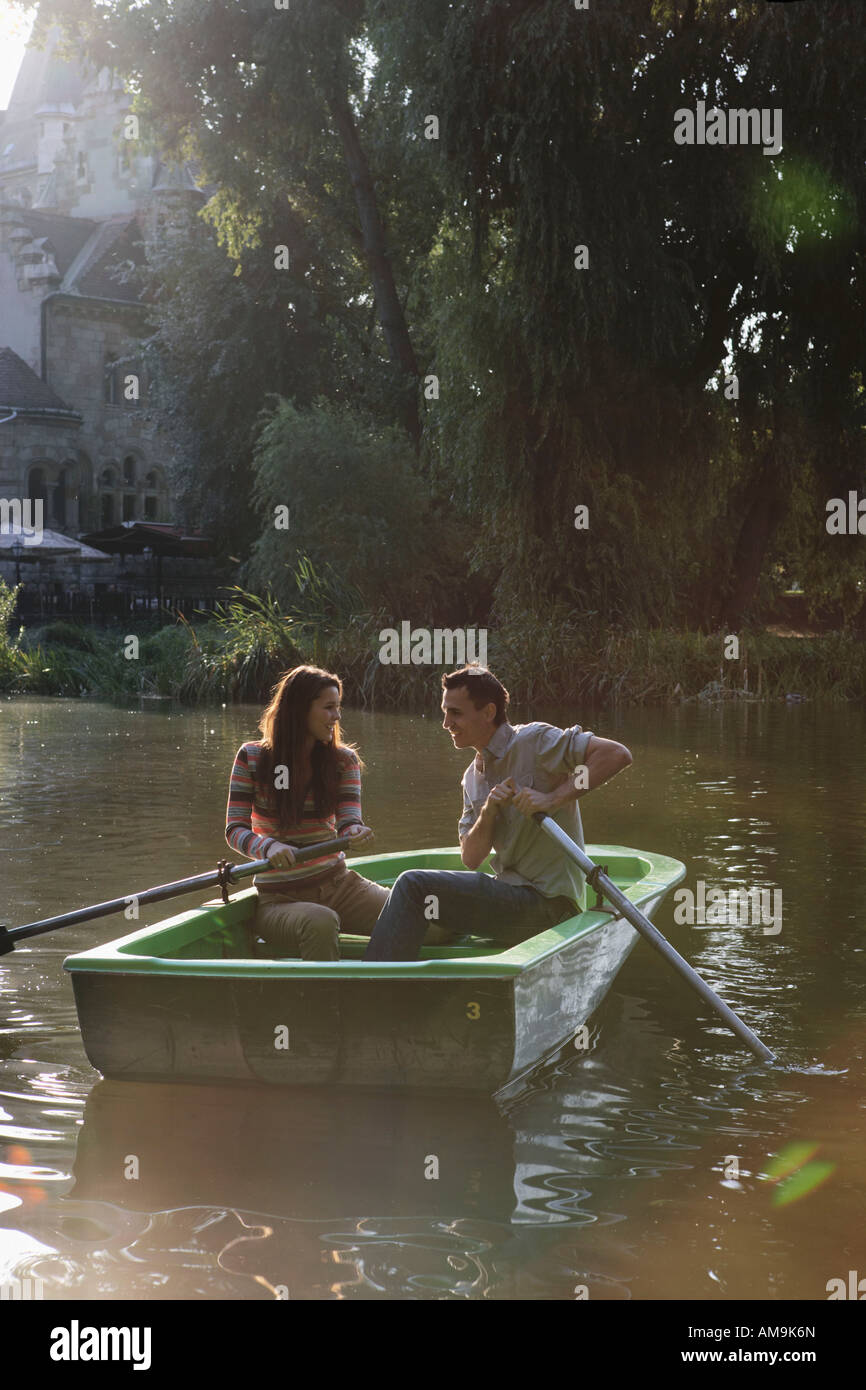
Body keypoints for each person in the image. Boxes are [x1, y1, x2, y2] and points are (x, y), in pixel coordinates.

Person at [364, 665, 633, 960]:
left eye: (455, 713)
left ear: (489, 712)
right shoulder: (471, 777)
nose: (445, 723)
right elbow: (471, 857)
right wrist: (489, 812)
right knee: (418, 896)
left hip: (550, 907)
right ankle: (394, 975)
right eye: (444, 712)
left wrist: (553, 798)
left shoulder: (535, 741)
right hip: (509, 900)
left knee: (412, 884)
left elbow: (615, 755)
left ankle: (374, 985)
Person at [225, 665, 388, 960]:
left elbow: (348, 821)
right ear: (300, 710)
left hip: (341, 887)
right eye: (328, 708)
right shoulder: (250, 758)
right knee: (320, 921)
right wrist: (269, 846)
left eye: (338, 707)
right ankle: (322, 1005)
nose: (337, 717)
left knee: (426, 919)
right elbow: (235, 830)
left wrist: (354, 833)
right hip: (280, 900)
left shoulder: (344, 761)